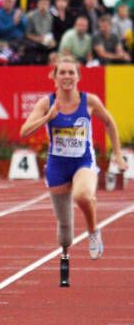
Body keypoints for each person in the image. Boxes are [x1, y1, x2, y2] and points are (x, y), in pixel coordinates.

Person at [20, 54, 126, 282]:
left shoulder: (90, 101)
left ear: (78, 76)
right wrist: (47, 117)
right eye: (63, 72)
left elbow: (109, 123)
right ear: (54, 77)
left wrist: (116, 153)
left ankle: (93, 231)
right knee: (65, 230)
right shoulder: (46, 103)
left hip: (83, 162)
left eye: (71, 72)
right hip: (57, 167)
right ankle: (66, 253)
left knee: (83, 195)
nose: (67, 76)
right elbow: (24, 132)